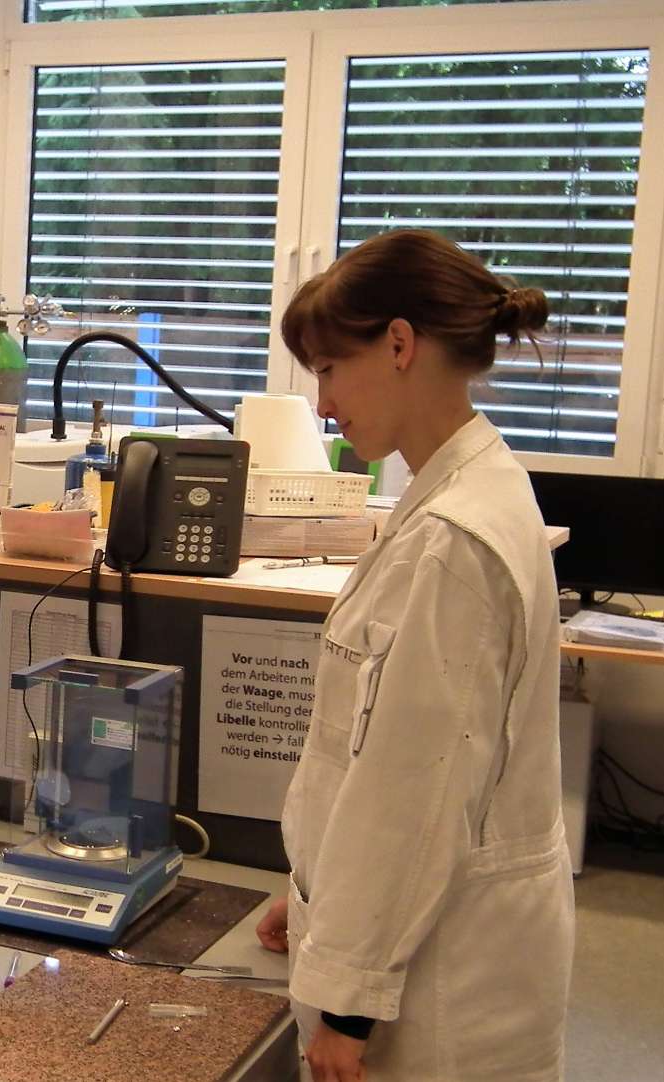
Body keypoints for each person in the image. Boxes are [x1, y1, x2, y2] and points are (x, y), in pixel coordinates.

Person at [254, 228, 574, 1082]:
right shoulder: (462, 487)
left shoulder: (452, 541)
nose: (321, 404)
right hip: (431, 934)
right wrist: (317, 894)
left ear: (398, 344)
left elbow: (414, 798)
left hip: (441, 986)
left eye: (326, 369)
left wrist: (348, 1001)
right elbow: (371, 756)